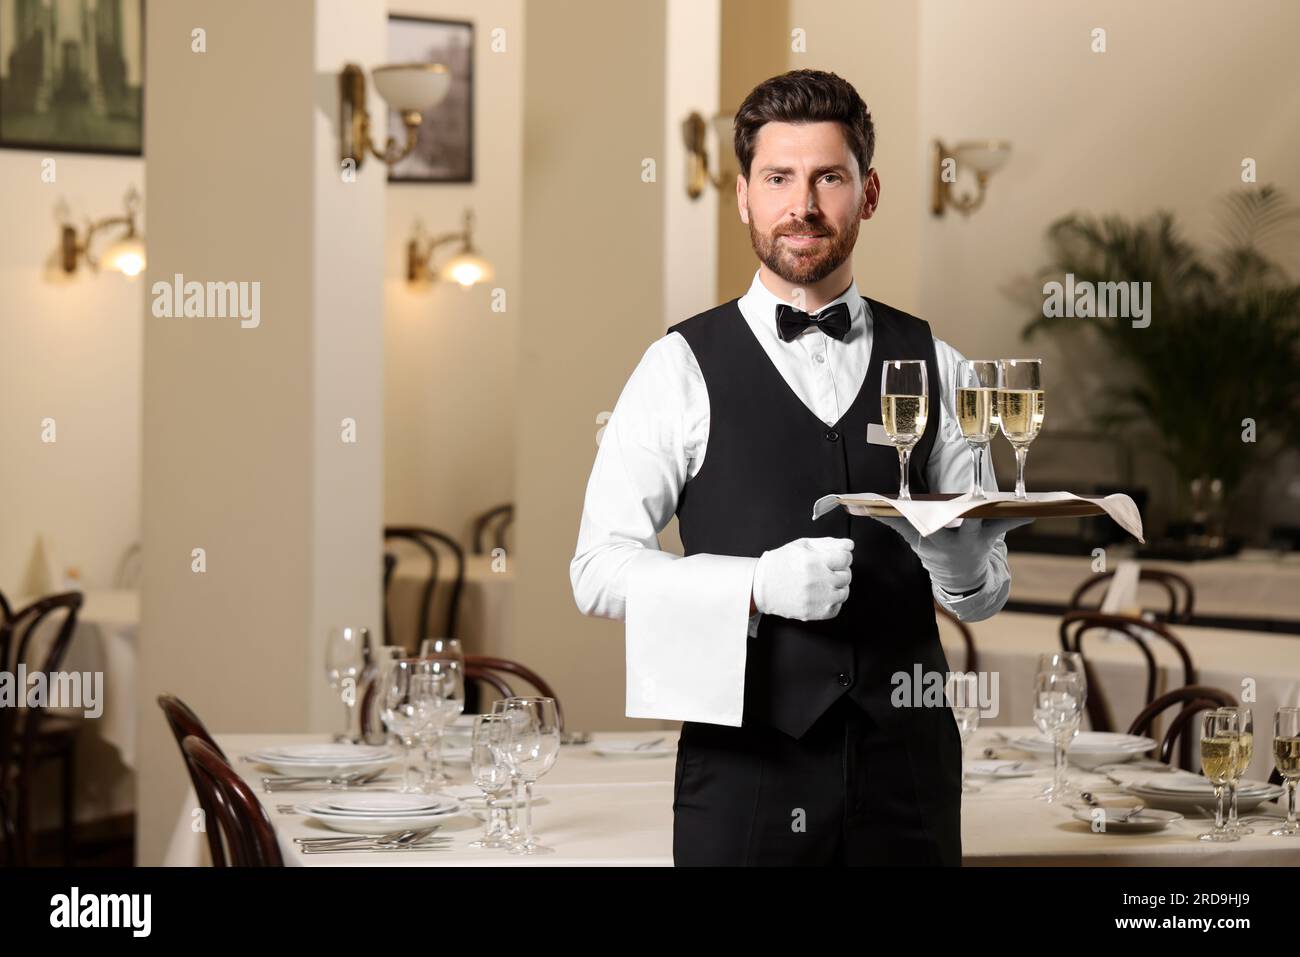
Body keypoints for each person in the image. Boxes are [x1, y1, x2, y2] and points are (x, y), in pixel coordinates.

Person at [570, 69, 1027, 866]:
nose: (802, 205)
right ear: (743, 194)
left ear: (869, 192)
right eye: (778, 178)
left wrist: (962, 571)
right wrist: (754, 583)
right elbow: (596, 570)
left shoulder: (938, 361)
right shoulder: (678, 366)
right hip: (746, 776)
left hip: (908, 780)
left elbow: (986, 592)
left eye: (829, 178)